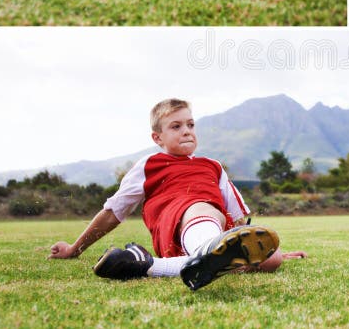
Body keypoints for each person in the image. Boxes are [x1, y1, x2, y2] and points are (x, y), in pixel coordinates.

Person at [48, 98, 289, 291]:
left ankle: (146, 265)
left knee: (273, 258)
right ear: (157, 137)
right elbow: (113, 212)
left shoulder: (213, 166)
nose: (186, 131)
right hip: (175, 229)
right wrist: (74, 249)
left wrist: (263, 251)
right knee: (201, 207)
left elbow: (238, 221)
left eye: (191, 125)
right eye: (176, 126)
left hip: (217, 229)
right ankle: (209, 251)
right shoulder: (149, 165)